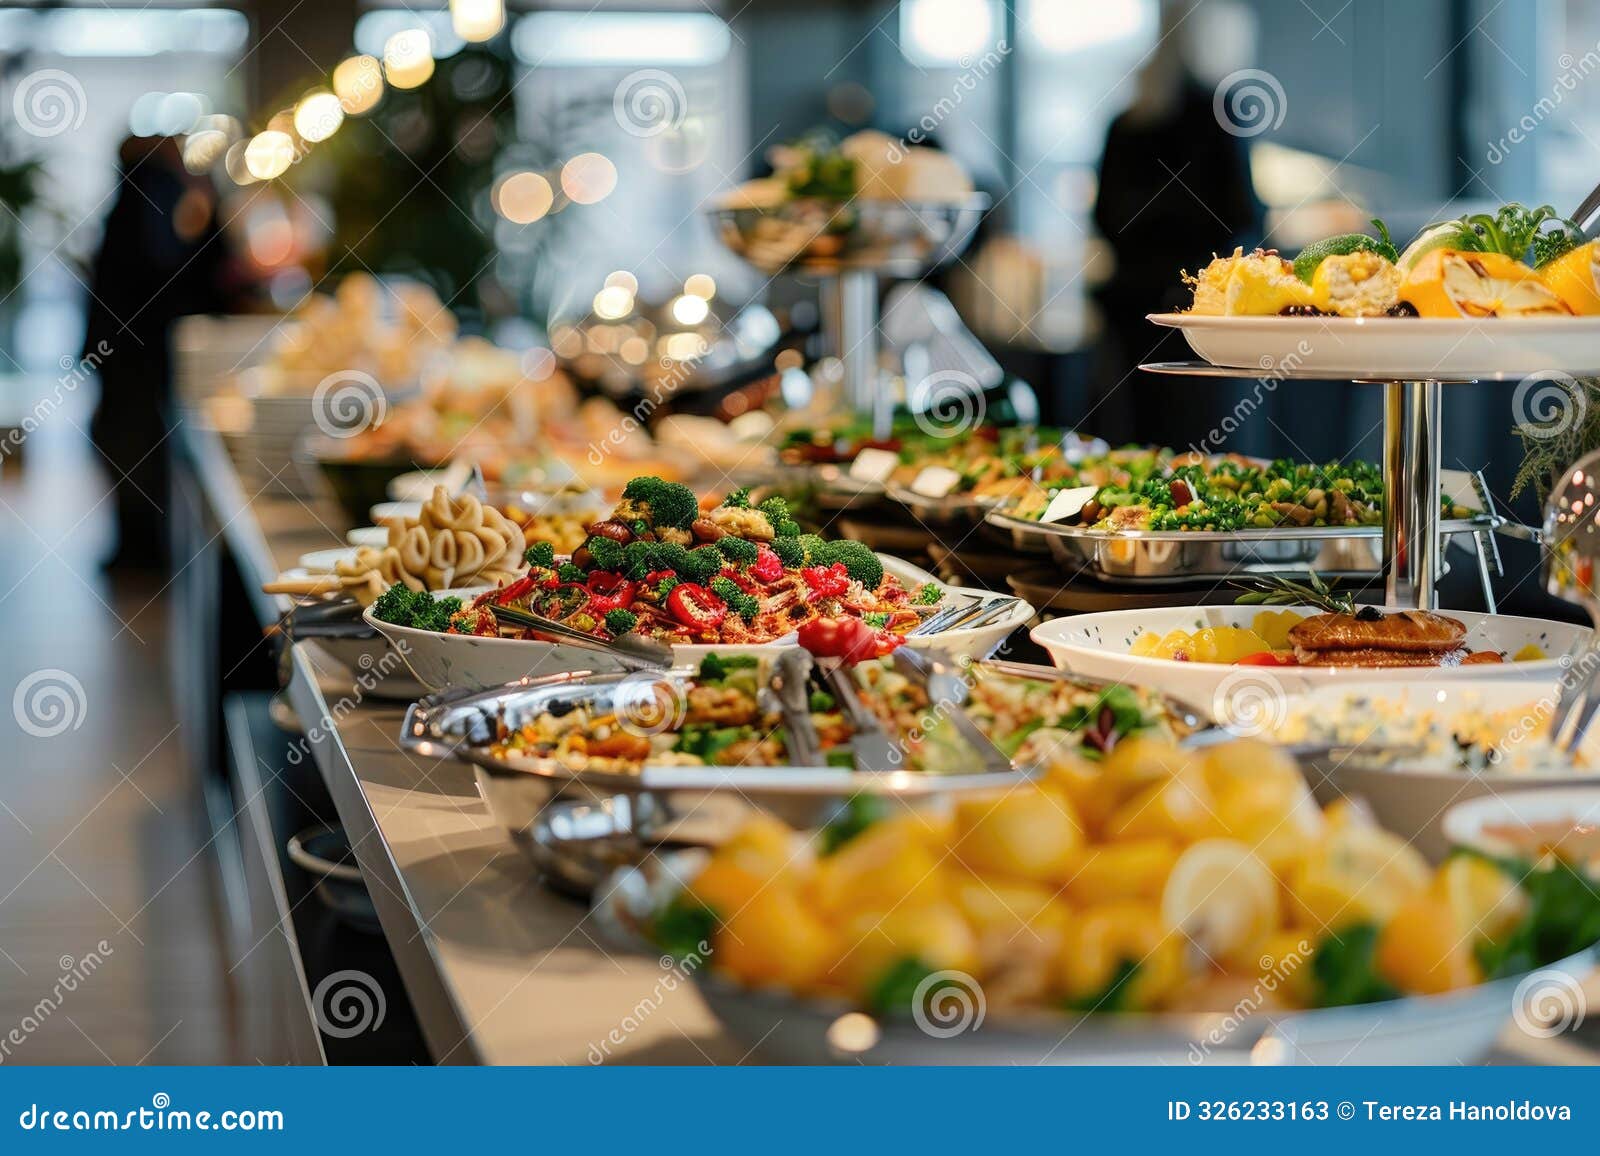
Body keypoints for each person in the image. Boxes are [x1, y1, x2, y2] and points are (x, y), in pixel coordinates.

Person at [1090, 2, 1264, 448]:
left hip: (1134, 313)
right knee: (1215, 447)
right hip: (1205, 316)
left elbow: (1105, 219)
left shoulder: (1126, 123)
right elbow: (1244, 216)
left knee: (1142, 442)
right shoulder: (1223, 114)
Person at [83, 135, 239, 571]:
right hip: (136, 355)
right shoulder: (157, 194)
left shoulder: (137, 195)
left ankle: (139, 546)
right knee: (134, 445)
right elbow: (176, 269)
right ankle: (142, 546)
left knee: (128, 444)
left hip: (122, 353)